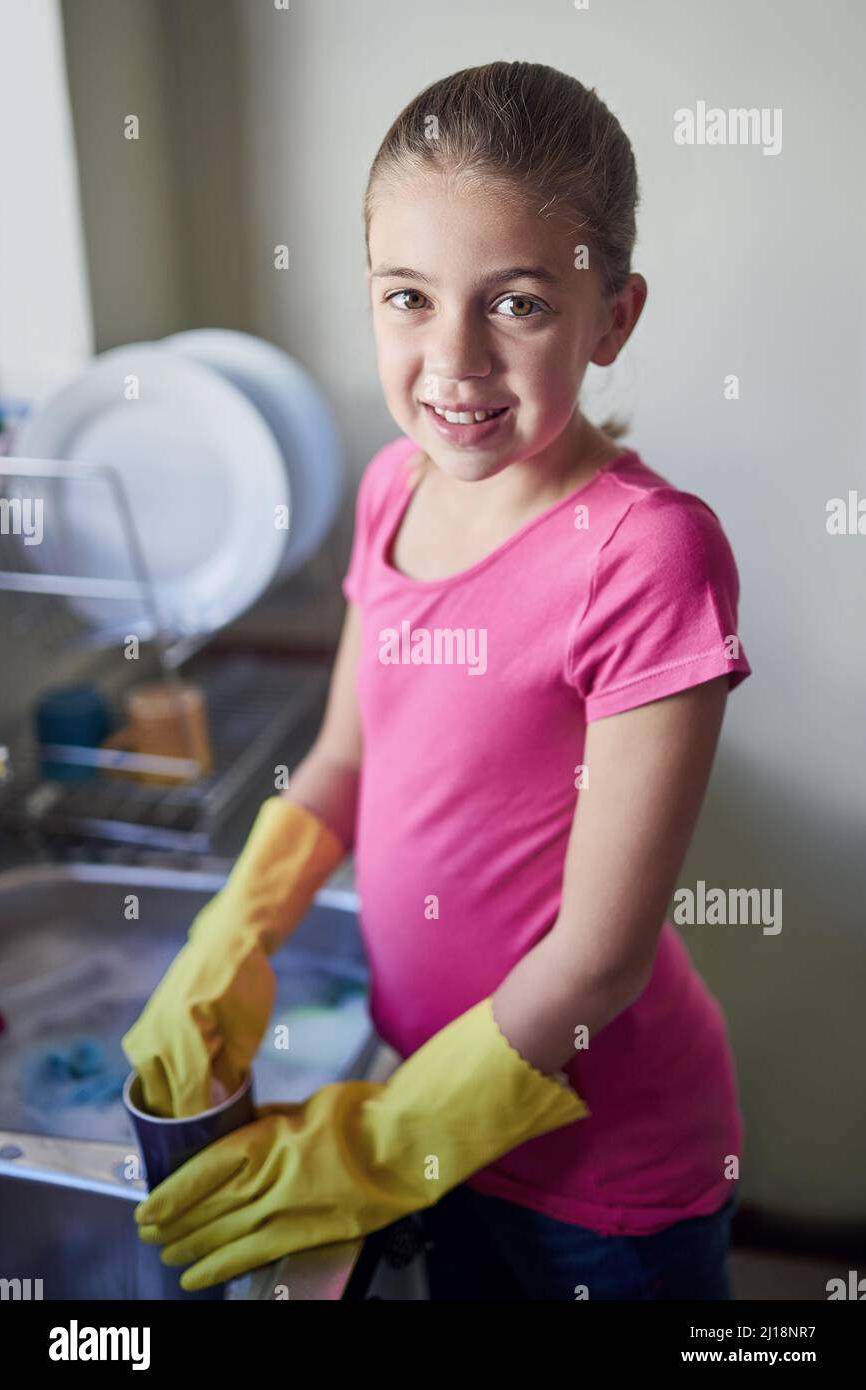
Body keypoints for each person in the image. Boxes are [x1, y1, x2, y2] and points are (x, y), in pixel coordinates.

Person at [123, 61, 751, 1300]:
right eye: (409, 296)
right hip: (435, 1129)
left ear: (611, 318)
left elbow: (602, 961)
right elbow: (350, 757)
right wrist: (231, 934)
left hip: (598, 1168)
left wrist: (372, 1142)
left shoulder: (648, 552)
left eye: (516, 303)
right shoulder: (390, 490)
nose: (452, 360)